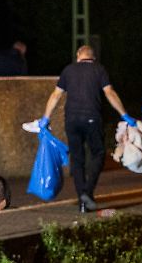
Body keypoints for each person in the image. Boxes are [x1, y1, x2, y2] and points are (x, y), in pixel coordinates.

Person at [40, 45, 133, 212]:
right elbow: (109, 92)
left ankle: (82, 200)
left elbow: (55, 95)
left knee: (77, 158)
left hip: (71, 120)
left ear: (78, 57)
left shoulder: (68, 70)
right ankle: (87, 192)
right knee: (97, 153)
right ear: (93, 58)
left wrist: (45, 118)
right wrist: (124, 114)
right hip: (92, 118)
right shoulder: (99, 70)